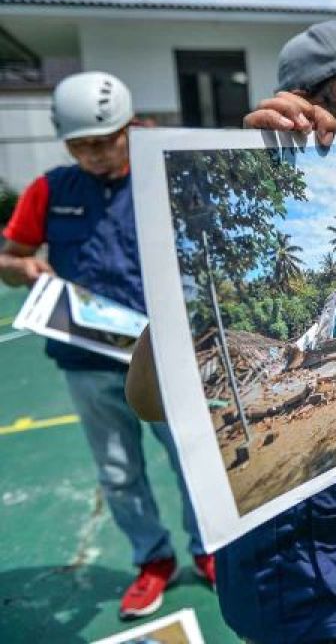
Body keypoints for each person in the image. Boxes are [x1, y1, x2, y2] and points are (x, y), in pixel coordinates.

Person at [127, 20, 336, 643]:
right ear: (312, 101)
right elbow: (148, 399)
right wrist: (191, 243)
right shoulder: (238, 207)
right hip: (324, 596)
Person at [1, 72, 207, 620]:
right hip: (86, 362)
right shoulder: (49, 190)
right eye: (79, 145)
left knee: (192, 461)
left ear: (129, 128)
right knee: (117, 471)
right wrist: (21, 267)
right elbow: (10, 255)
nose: (92, 155)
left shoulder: (165, 181)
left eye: (104, 141)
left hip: (161, 362)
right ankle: (153, 560)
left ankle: (208, 553)